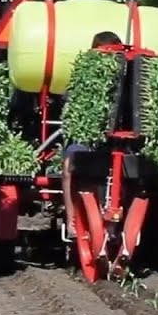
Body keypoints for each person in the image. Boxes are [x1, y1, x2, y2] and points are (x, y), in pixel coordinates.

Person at [60, 30, 122, 239]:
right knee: (70, 165)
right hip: (86, 141)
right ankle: (71, 221)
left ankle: (114, 220)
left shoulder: (129, 77)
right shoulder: (83, 77)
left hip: (118, 142)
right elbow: (70, 105)